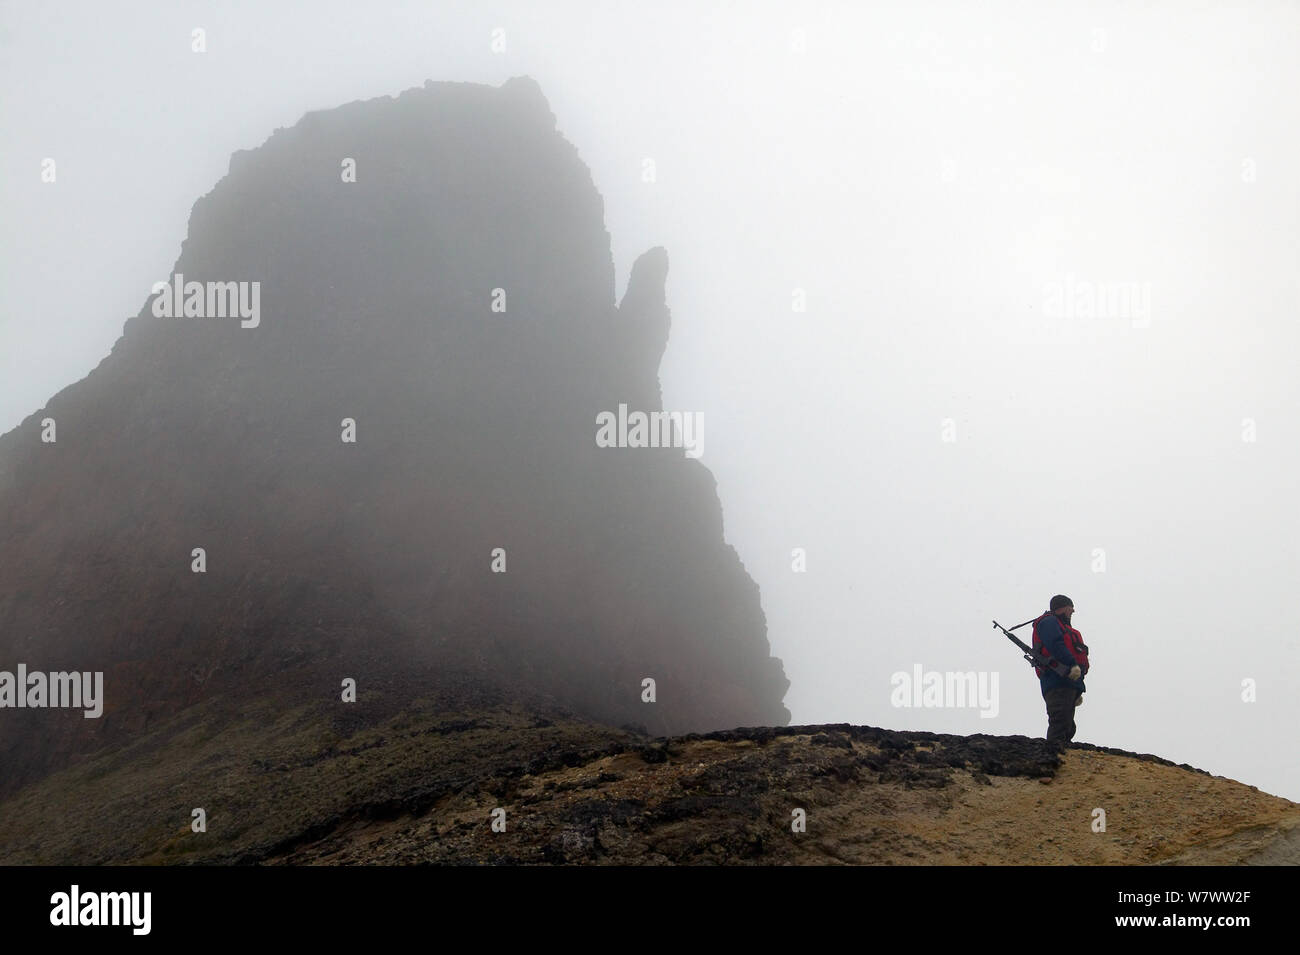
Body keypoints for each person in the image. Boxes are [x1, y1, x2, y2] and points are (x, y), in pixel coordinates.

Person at [1031, 595, 1089, 749]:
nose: (1073, 611)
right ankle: (1053, 757)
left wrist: (1078, 687)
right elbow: (1055, 644)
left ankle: (1064, 755)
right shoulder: (1049, 622)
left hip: (1068, 682)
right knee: (1060, 721)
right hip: (1056, 680)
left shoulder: (1066, 628)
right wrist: (1072, 664)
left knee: (1068, 726)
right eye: (1070, 608)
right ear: (1062, 608)